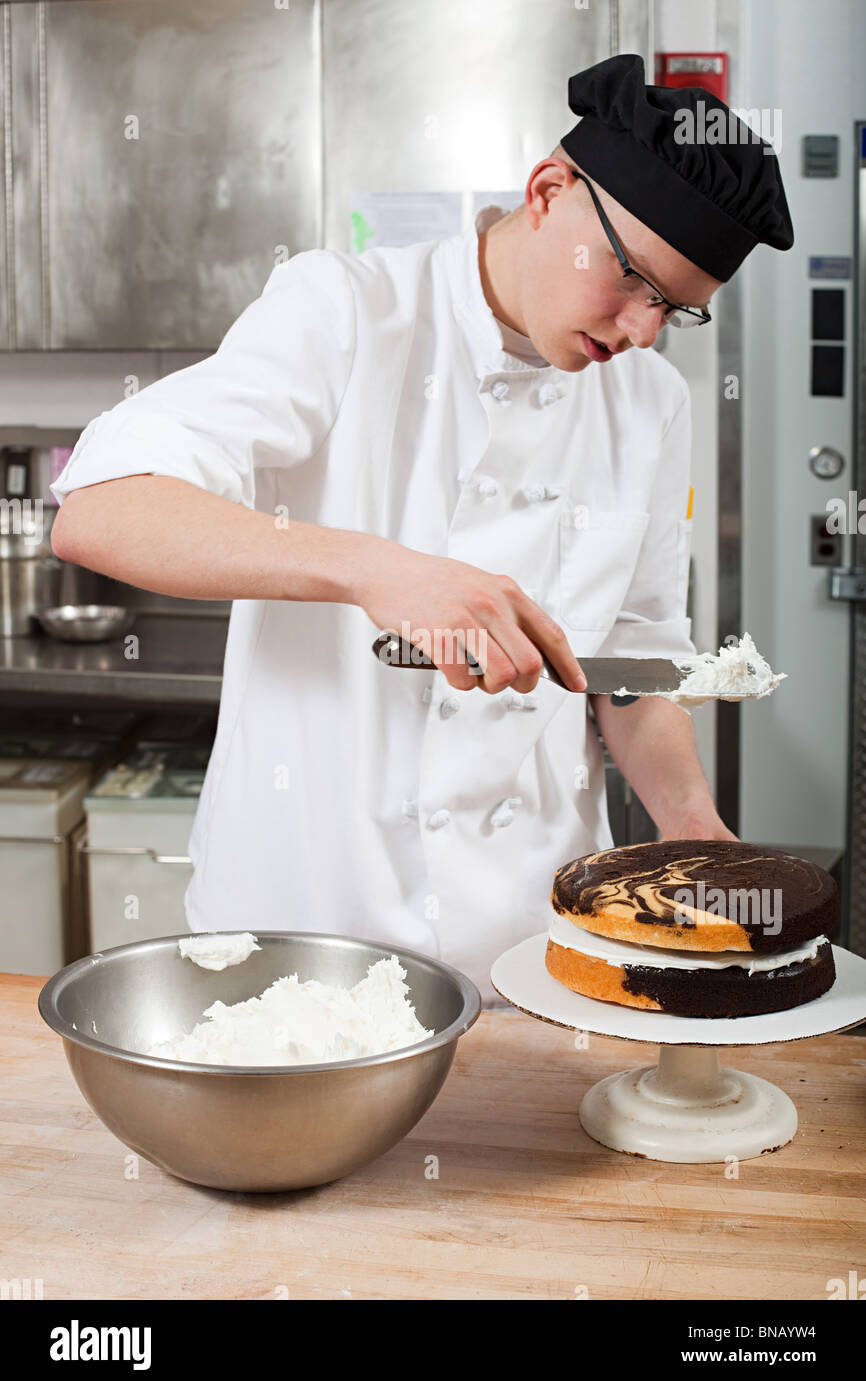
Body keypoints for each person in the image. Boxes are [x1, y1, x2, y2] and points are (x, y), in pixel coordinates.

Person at [50, 54, 794, 1007]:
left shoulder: (650, 401)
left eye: (674, 310)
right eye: (633, 280)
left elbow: (634, 663)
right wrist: (377, 571)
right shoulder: (347, 311)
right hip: (304, 934)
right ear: (548, 192)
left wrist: (693, 829)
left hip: (528, 942)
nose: (643, 331)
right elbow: (102, 507)